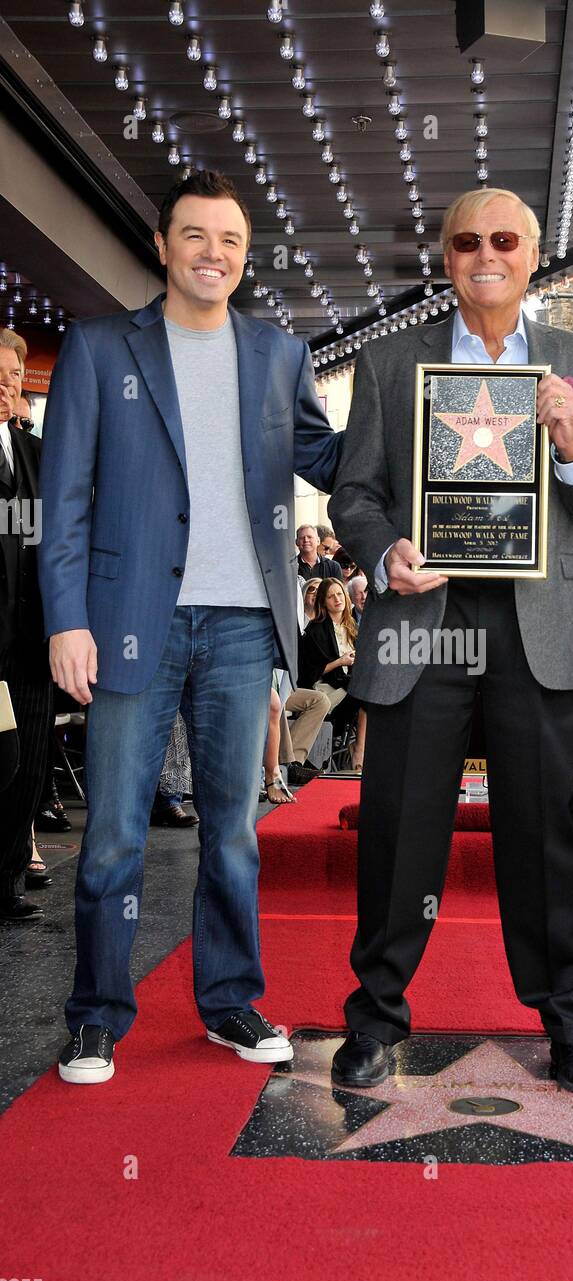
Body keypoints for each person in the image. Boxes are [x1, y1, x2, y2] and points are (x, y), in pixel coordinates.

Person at [39, 169, 341, 1084]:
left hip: (246, 622)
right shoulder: (99, 350)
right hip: (130, 619)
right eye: (196, 236)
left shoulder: (280, 357)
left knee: (234, 830)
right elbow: (66, 501)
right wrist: (66, 620)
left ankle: (230, 1003)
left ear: (246, 259)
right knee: (116, 834)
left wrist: (429, 424)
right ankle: (95, 1015)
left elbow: (327, 457)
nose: (215, 254)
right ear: (162, 245)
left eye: (232, 242)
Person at [328, 186, 573, 1092]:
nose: (484, 254)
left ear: (533, 255)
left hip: (539, 625)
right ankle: (375, 1018)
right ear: (445, 258)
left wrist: (572, 447)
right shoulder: (387, 363)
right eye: (465, 241)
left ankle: (572, 1017)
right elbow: (353, 497)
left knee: (545, 833)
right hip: (425, 618)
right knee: (398, 826)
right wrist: (384, 554)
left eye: (503, 239)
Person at [0, 330, 54, 923]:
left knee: (28, 770)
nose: (4, 385)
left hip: (33, 641)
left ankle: (8, 880)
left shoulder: (40, 456)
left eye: (11, 376)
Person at [299, 576, 365, 764]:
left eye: (339, 594)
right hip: (326, 691)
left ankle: (361, 748)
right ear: (323, 602)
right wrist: (340, 662)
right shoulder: (315, 630)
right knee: (365, 694)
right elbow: (310, 673)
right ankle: (358, 751)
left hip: (349, 686)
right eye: (330, 596)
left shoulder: (352, 626)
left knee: (372, 691)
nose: (337, 599)